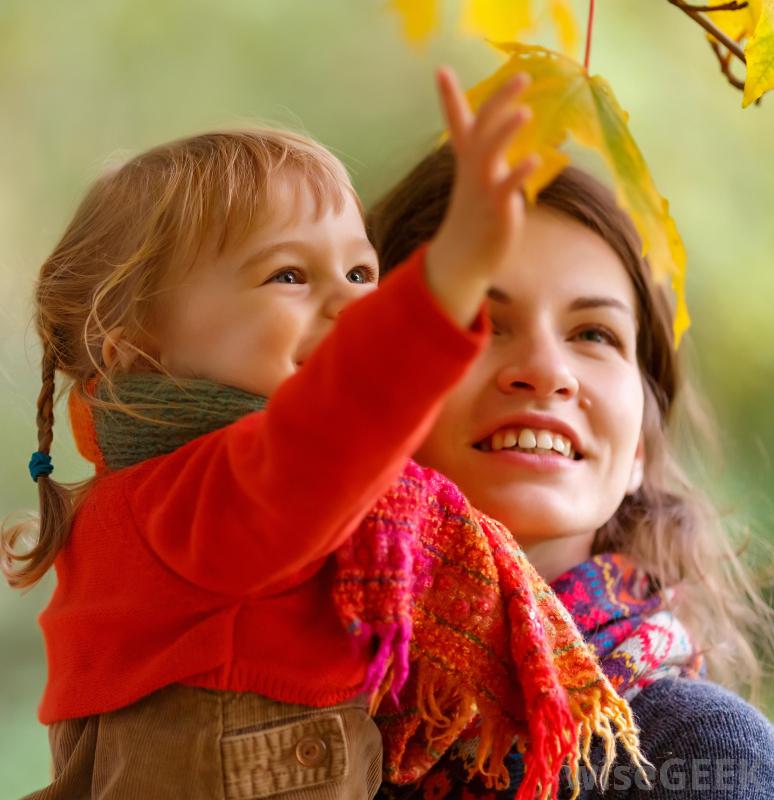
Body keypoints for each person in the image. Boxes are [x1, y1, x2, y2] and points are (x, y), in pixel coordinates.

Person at [3, 70, 641, 800]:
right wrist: (447, 278)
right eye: (289, 276)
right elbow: (329, 433)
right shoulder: (208, 490)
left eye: (363, 271)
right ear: (130, 346)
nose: (350, 304)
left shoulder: (132, 509)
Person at [367, 141, 774, 798]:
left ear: (640, 441)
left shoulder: (700, 752)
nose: (547, 371)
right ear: (361, 381)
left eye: (594, 334)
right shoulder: (253, 695)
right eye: (477, 321)